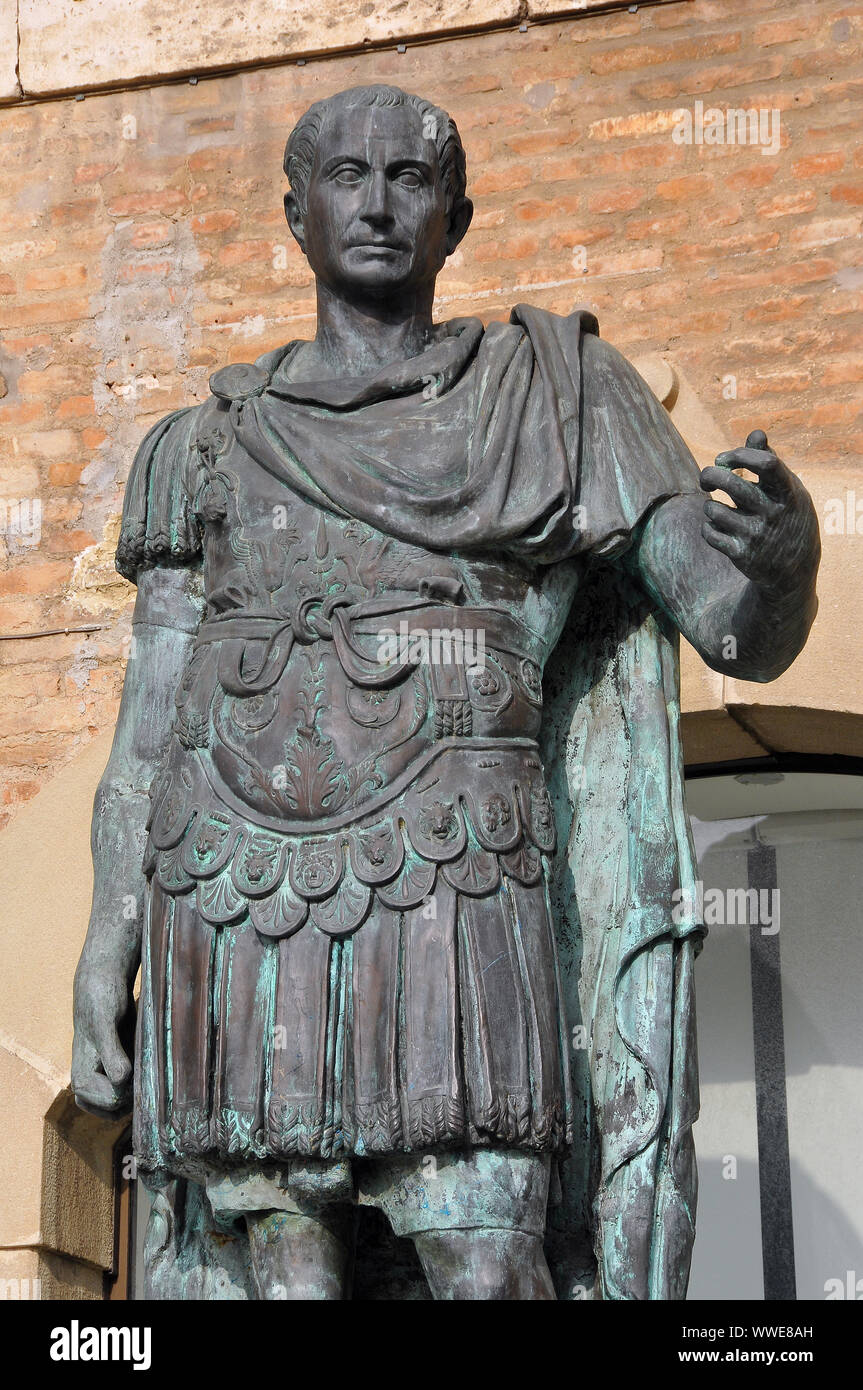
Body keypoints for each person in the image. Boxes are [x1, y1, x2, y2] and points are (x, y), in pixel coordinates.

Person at [72, 84, 819, 1300]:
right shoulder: (198, 447)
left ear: (455, 218)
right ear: (293, 213)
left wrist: (785, 570)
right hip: (233, 881)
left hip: (454, 871)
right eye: (346, 176)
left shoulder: (558, 399)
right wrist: (107, 936)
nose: (375, 203)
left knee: (487, 1252)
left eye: (408, 179)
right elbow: (150, 717)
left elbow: (733, 628)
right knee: (280, 1267)